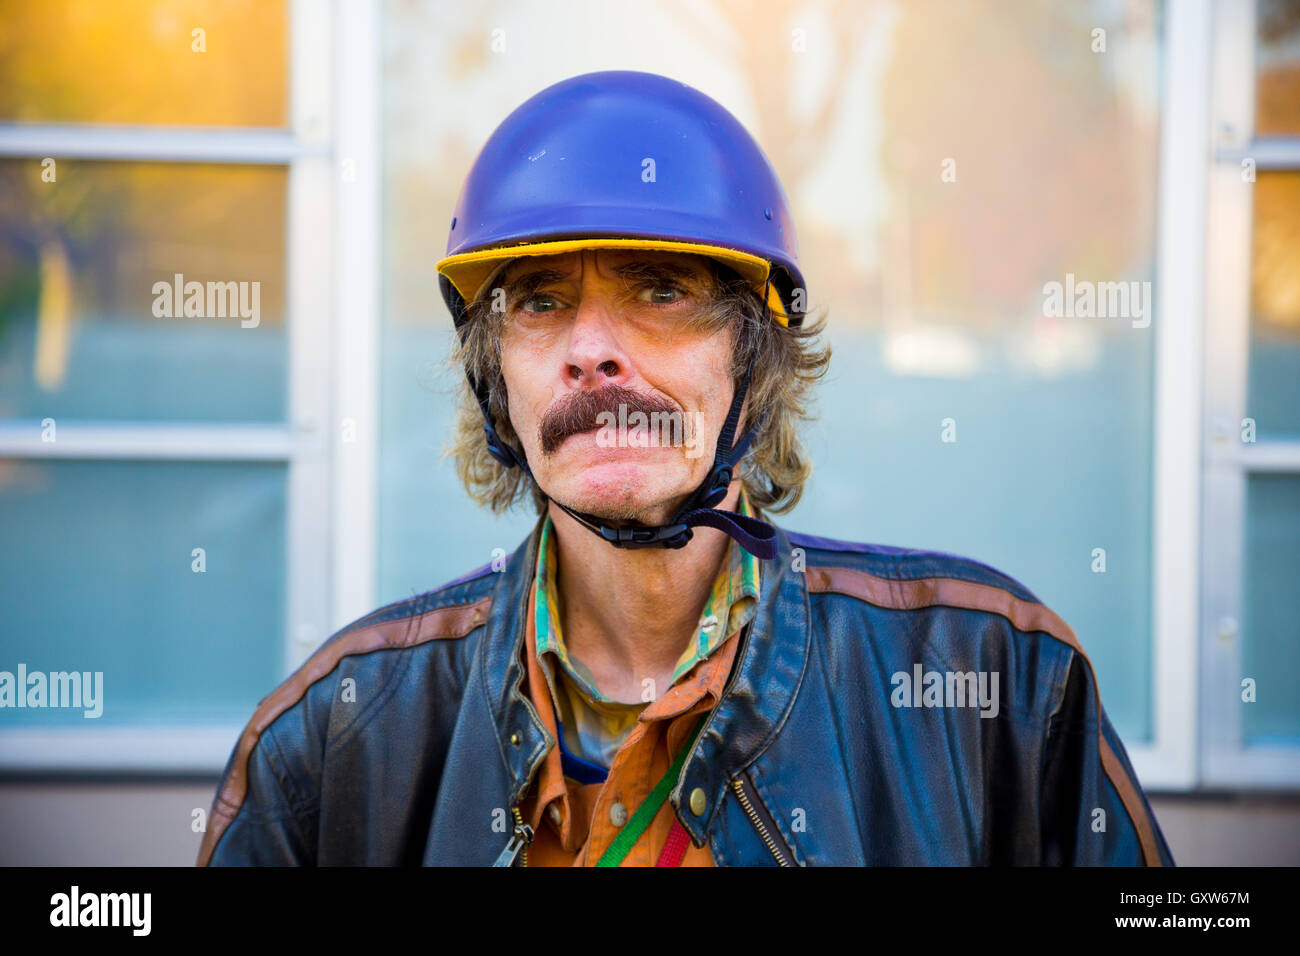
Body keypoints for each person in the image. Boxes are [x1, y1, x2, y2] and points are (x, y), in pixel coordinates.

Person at [198, 70, 1174, 866]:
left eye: (659, 289)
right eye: (538, 301)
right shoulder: (338, 730)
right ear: (496, 380)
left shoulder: (994, 678)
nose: (590, 351)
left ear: (757, 355)